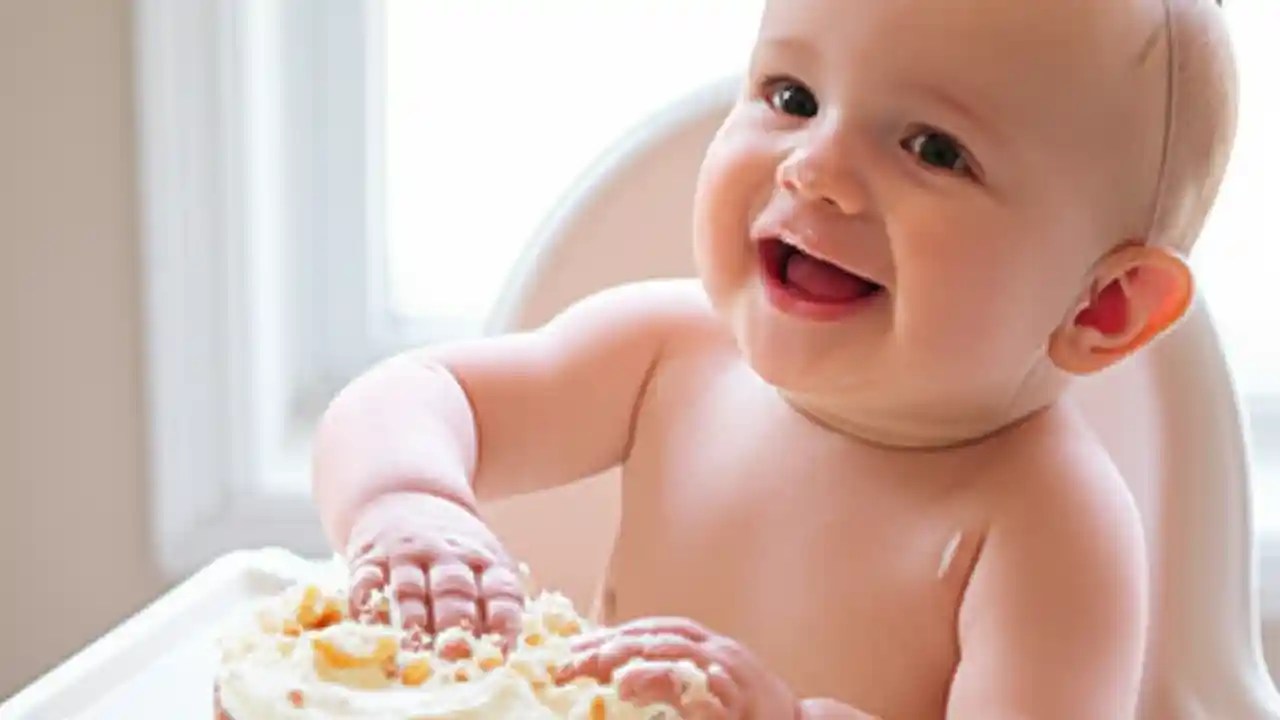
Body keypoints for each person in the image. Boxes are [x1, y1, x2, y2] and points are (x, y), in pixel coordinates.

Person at [312, 0, 1238, 716]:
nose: (815, 168)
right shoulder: (666, 355)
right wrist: (409, 503)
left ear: (1103, 306)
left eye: (934, 150)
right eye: (791, 98)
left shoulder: (1050, 528)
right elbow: (421, 392)